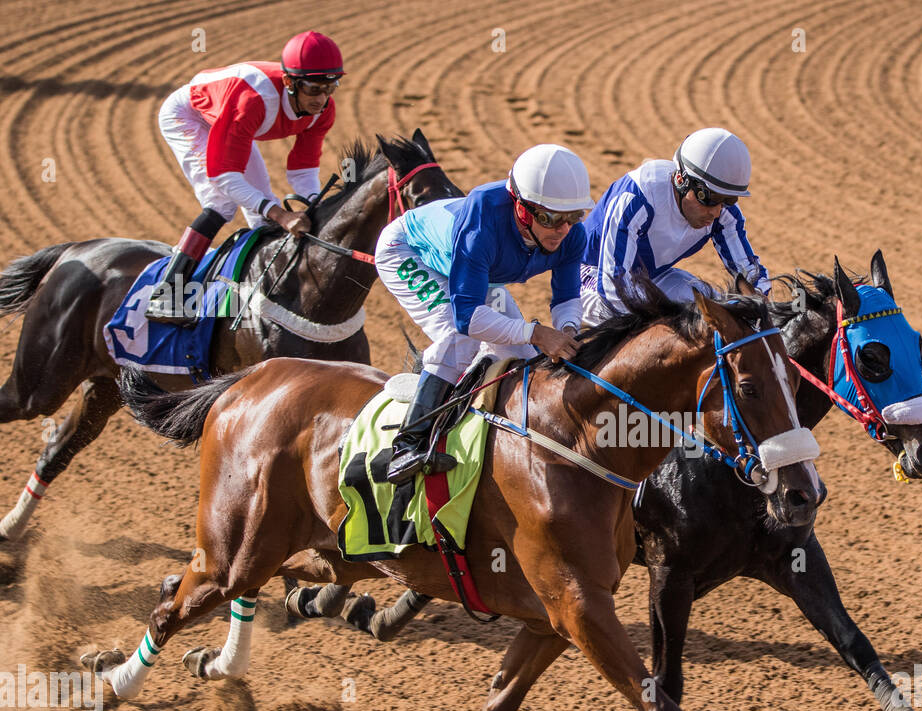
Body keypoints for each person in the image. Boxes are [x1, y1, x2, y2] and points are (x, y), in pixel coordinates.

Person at [375, 143, 593, 483]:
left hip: (477, 272)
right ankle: (408, 443)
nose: (563, 230)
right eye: (550, 218)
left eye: (573, 216)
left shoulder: (571, 234)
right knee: (459, 337)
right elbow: (467, 318)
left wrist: (567, 330)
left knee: (523, 356)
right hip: (408, 250)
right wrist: (537, 332)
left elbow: (566, 296)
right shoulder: (483, 222)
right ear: (521, 208)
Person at [147, 31, 345, 322]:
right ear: (289, 83)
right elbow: (224, 177)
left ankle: (263, 290)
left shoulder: (322, 111)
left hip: (230, 118)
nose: (322, 99)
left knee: (261, 215)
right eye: (314, 89)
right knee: (221, 203)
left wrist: (316, 205)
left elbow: (302, 170)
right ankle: (167, 293)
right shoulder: (253, 100)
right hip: (190, 115)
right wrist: (281, 214)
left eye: (330, 88)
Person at [581, 127, 770, 321]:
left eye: (728, 200)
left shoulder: (724, 213)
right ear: (681, 180)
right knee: (653, 319)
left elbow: (751, 274)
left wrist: (759, 301)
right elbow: (613, 288)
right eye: (709, 198)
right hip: (592, 274)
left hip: (651, 277)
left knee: (714, 308)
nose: (716, 212)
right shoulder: (635, 199)